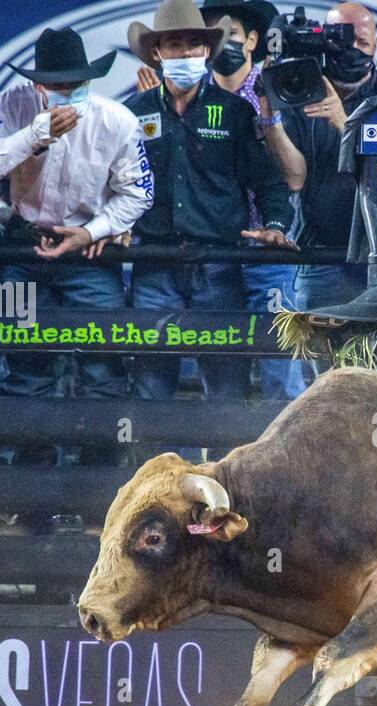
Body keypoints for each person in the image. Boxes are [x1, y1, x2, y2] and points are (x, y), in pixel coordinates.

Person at [0, 27, 153, 529]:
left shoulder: (118, 121)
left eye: (75, 83)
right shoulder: (11, 105)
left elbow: (138, 194)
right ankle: (33, 506)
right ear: (38, 86)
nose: (67, 92)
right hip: (25, 243)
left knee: (104, 373)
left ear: (89, 80)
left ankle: (98, 508)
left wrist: (92, 230)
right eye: (55, 84)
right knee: (27, 376)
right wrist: (35, 134)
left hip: (89, 254)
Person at [124, 0, 295, 411]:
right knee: (150, 386)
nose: (185, 54)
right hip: (154, 267)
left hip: (219, 268)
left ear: (207, 52)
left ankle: (219, 475)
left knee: (225, 387)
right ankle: (157, 475)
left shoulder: (235, 113)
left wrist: (275, 224)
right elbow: (110, 184)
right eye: (175, 45)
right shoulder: (131, 115)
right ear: (157, 53)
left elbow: (271, 183)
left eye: (194, 45)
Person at [265, 2, 377, 313]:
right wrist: (270, 118)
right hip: (321, 257)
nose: (352, 49)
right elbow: (295, 176)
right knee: (318, 356)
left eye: (361, 41)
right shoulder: (301, 88)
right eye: (342, 40)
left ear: (376, 44)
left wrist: (342, 121)